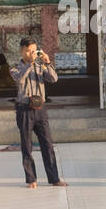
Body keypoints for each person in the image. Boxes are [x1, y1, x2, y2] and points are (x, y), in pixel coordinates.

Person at [11, 37, 66, 189]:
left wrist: (47, 63)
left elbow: (54, 79)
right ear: (22, 51)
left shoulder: (41, 65)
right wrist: (30, 64)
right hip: (24, 110)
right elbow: (20, 79)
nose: (31, 54)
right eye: (28, 51)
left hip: (40, 110)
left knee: (47, 144)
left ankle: (54, 178)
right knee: (26, 146)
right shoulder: (15, 67)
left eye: (34, 51)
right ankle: (31, 179)